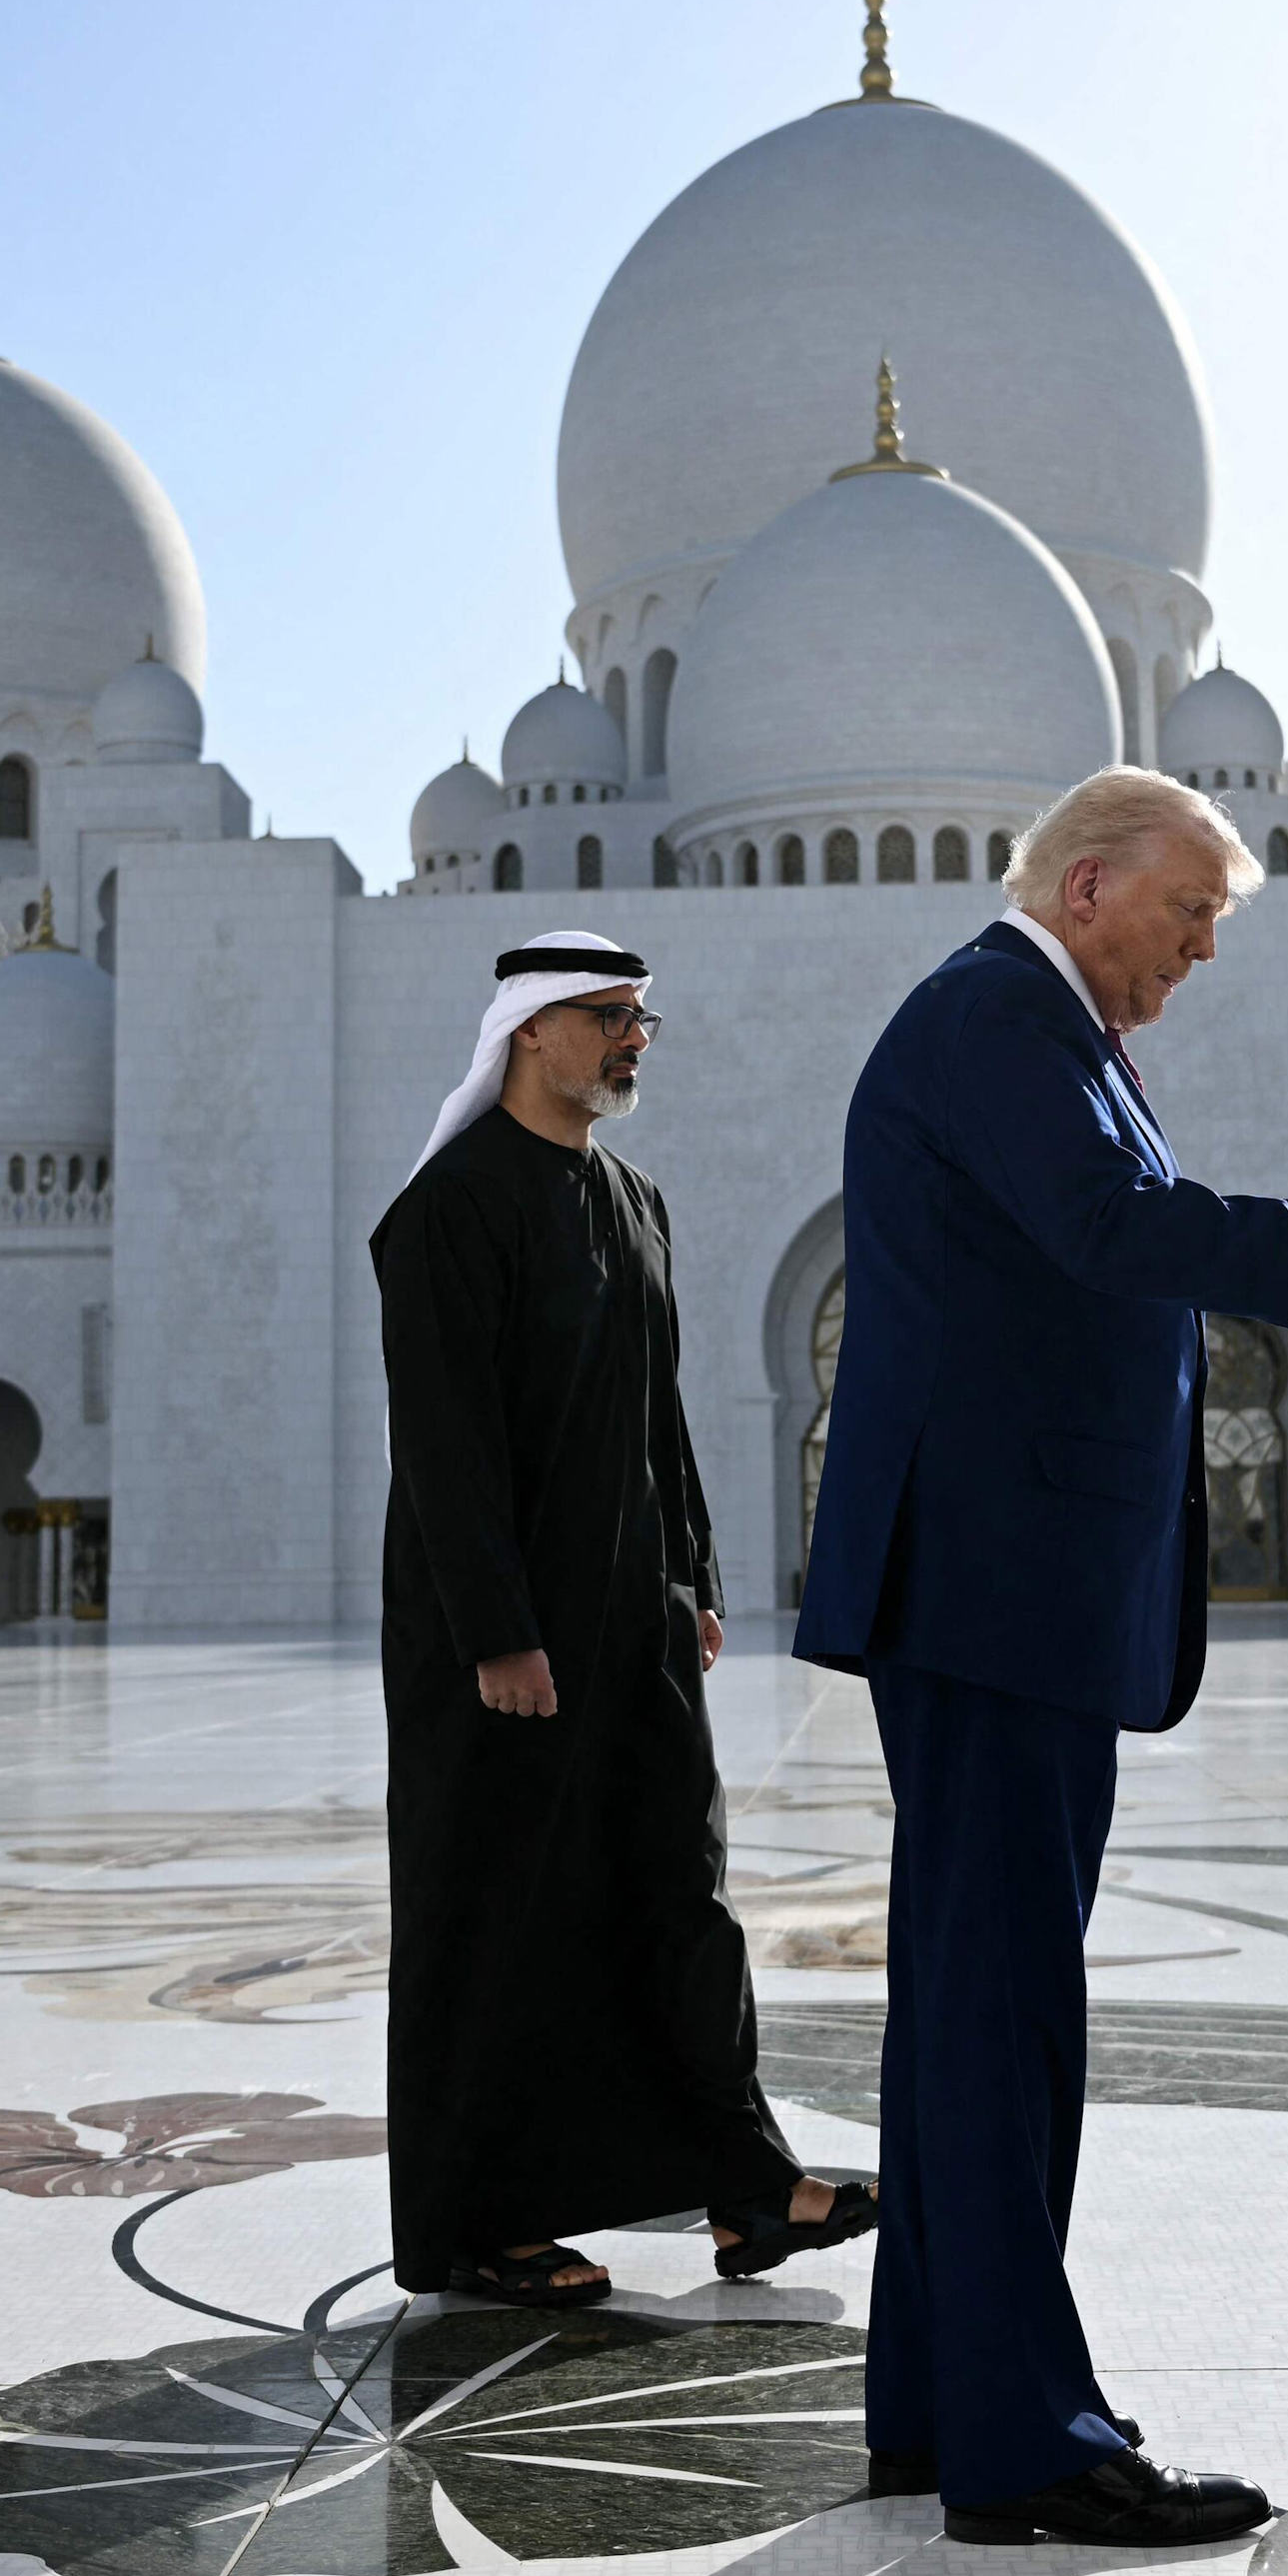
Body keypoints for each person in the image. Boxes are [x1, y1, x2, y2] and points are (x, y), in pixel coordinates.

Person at [796, 771, 1288, 2547]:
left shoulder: (1032, 1024)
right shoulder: (1002, 1015)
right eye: (1188, 916)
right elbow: (1116, 1233)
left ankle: (936, 2400)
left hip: (1001, 1587)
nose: (1199, 955)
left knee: (972, 2008)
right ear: (1086, 886)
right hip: (997, 1592)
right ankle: (1021, 2439)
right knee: (1001, 2016)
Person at [375, 932, 877, 2311]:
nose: (632, 1038)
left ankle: (747, 2186)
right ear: (531, 1031)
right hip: (502, 1640)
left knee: (676, 1897)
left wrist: (696, 1577)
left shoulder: (634, 1200)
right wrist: (497, 1631)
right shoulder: (450, 1208)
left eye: (640, 1018)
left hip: (632, 1614)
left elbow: (660, 1413)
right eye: (607, 1017)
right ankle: (476, 2220)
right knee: (503, 1916)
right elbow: (444, 1443)